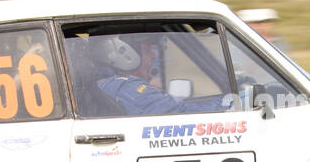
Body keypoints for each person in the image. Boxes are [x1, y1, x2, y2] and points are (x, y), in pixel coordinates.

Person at [89, 35, 231, 116]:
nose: (152, 56)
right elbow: (181, 114)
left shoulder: (107, 84)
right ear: (124, 51)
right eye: (148, 49)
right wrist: (232, 102)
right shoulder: (125, 88)